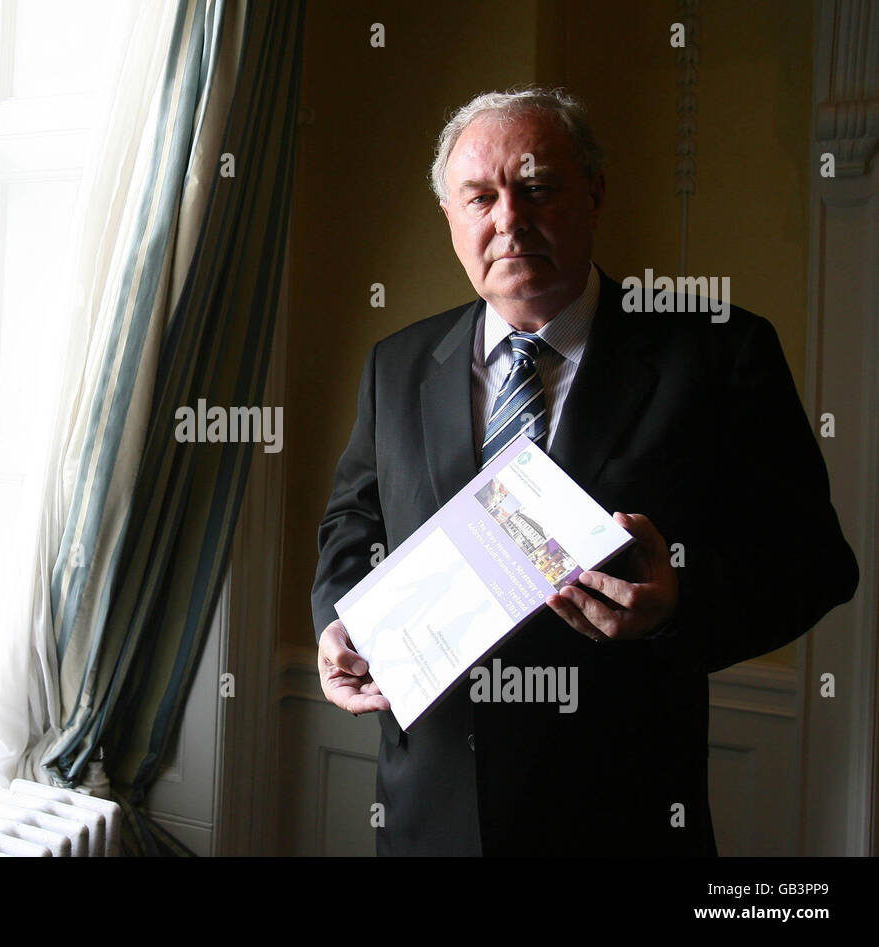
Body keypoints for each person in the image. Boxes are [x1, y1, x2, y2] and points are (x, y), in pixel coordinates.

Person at [310, 87, 859, 856]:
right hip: (429, 811)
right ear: (450, 218)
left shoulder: (717, 351)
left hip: (622, 814)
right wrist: (339, 623)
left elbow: (815, 561)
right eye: (480, 197)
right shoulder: (396, 364)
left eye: (536, 187)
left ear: (595, 192)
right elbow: (354, 522)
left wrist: (678, 604)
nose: (509, 219)